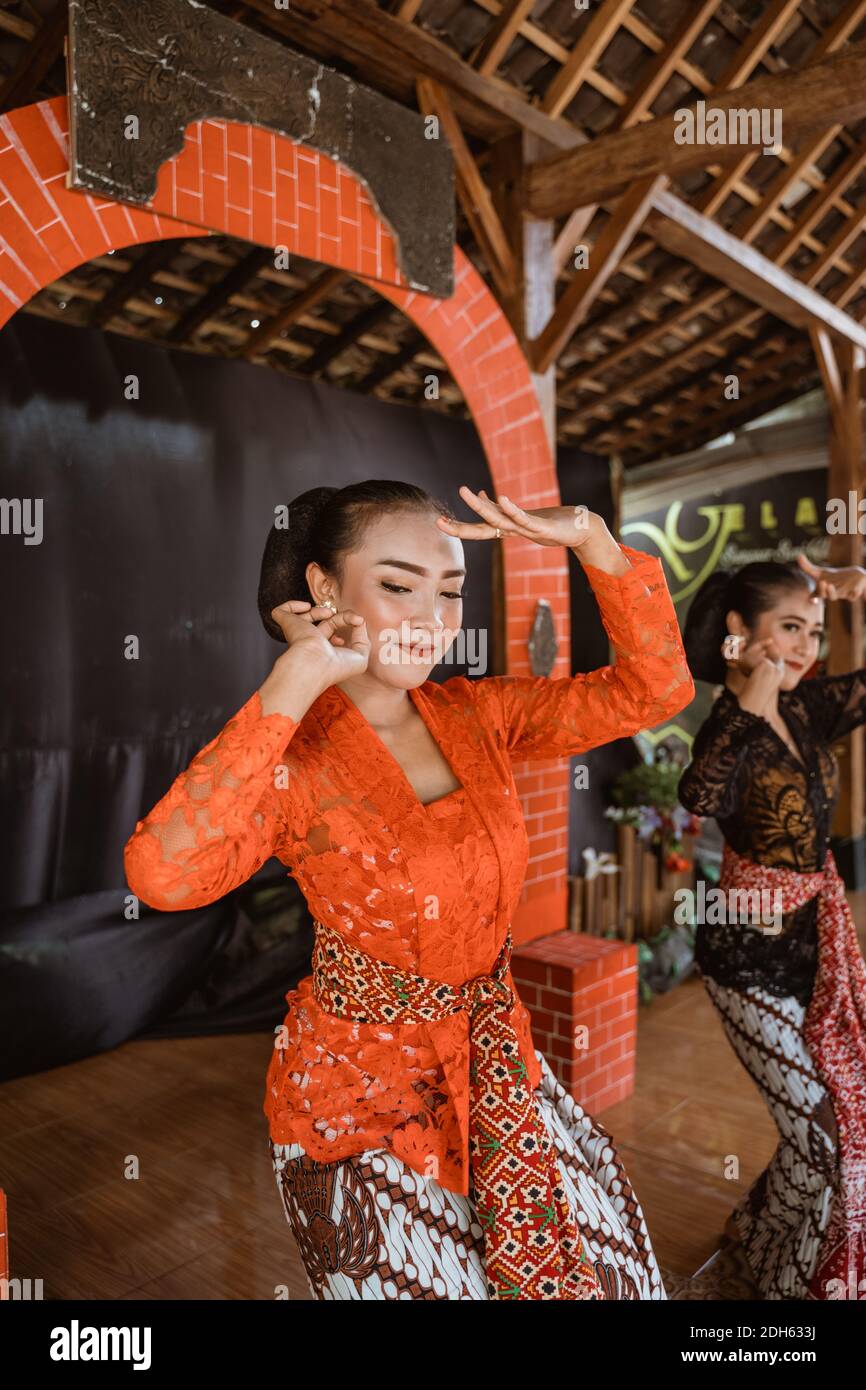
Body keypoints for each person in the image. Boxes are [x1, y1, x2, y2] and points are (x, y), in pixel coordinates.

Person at [124, 478, 694, 1301]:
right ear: (323, 588)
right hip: (358, 1108)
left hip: (498, 1062)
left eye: (451, 591)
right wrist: (296, 679)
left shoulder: (477, 713)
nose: (432, 616)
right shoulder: (292, 756)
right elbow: (161, 876)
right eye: (397, 585)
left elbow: (656, 690)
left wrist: (592, 542)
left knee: (614, 1282)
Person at [678, 553, 866, 1301]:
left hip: (812, 949)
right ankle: (786, 1299)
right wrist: (747, 693)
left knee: (828, 1124)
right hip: (745, 964)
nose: (803, 648)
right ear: (739, 630)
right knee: (823, 1140)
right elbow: (701, 791)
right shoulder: (731, 725)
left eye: (813, 631)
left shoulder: (805, 708)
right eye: (789, 627)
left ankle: (754, 1233)